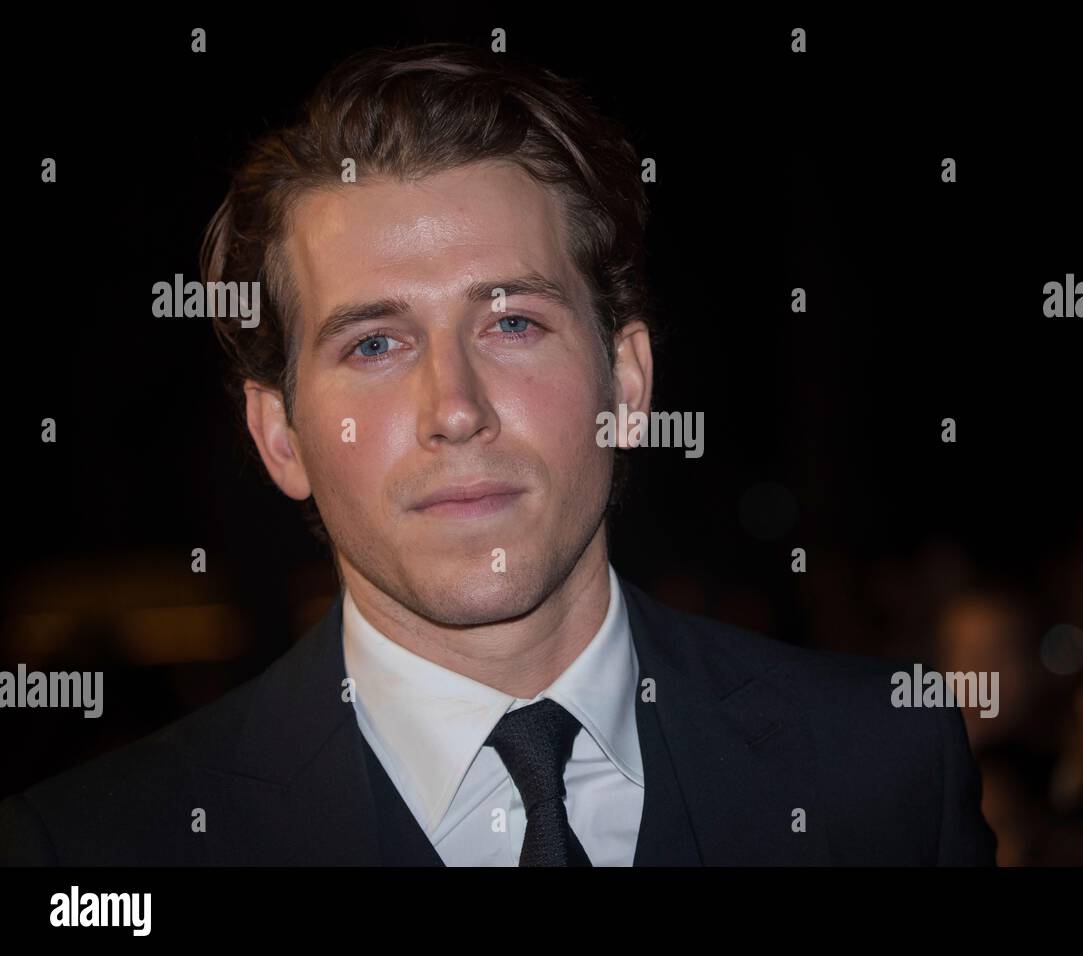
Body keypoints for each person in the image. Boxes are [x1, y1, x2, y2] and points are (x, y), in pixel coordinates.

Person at [0, 42, 995, 866]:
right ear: (279, 435)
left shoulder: (884, 771)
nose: (455, 409)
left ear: (627, 385)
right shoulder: (93, 851)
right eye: (375, 344)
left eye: (512, 321)